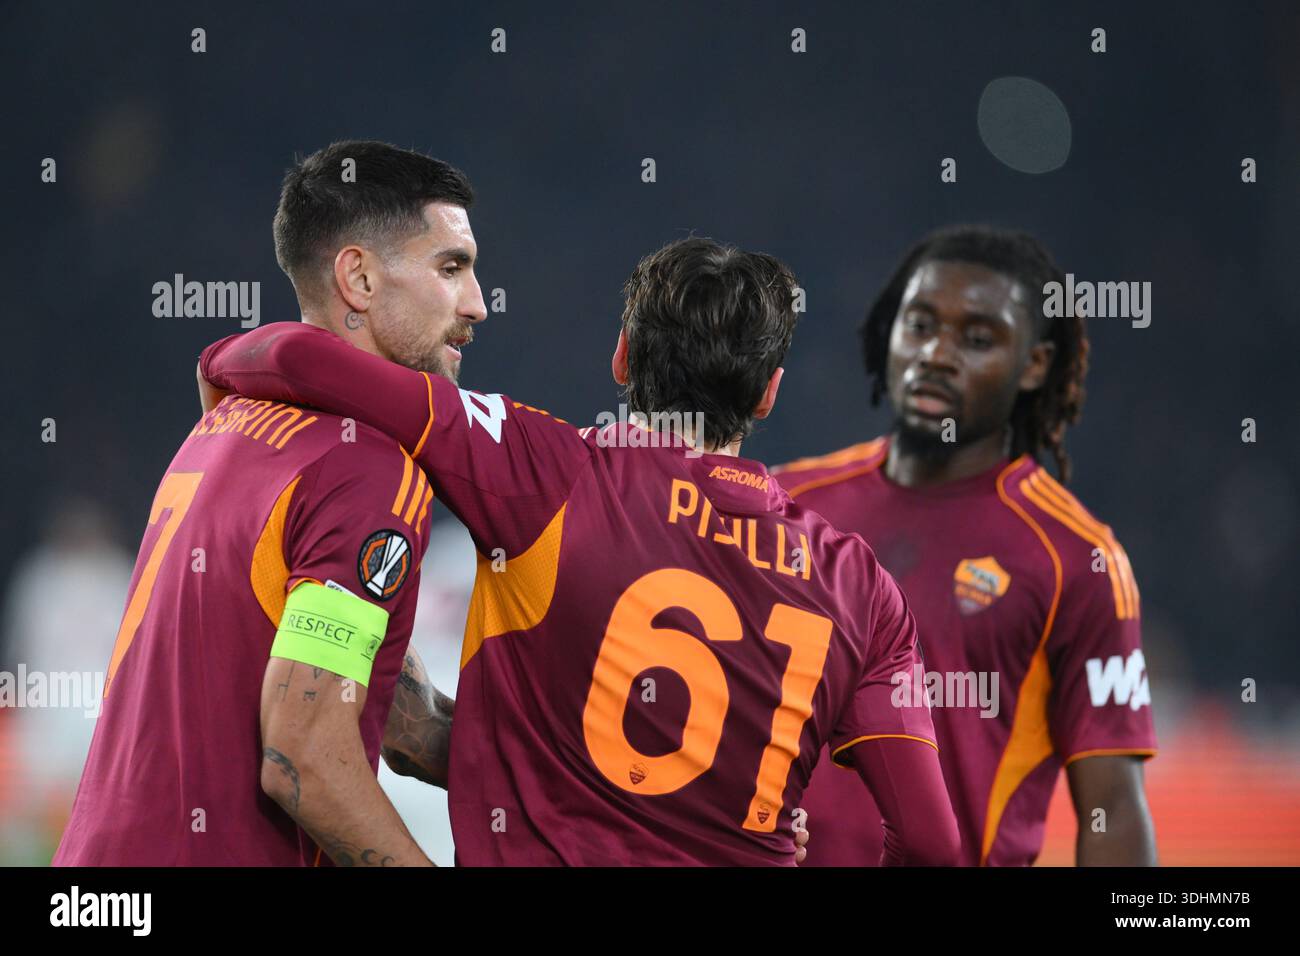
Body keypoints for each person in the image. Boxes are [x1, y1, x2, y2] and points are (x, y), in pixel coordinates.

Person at [198, 237, 961, 866]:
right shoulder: (862, 586)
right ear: (768, 393)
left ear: (622, 358)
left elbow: (305, 362)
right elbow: (932, 844)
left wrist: (219, 363)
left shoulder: (540, 470)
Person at [54, 140, 481, 865]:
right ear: (360, 278)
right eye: (450, 269)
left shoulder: (228, 424)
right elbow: (303, 759)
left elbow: (399, 720)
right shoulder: (366, 469)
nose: (475, 303)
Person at [776, 225, 1157, 866]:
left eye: (977, 338)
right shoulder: (784, 502)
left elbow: (1112, 806)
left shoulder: (1078, 558)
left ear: (1035, 365)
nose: (937, 353)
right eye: (920, 325)